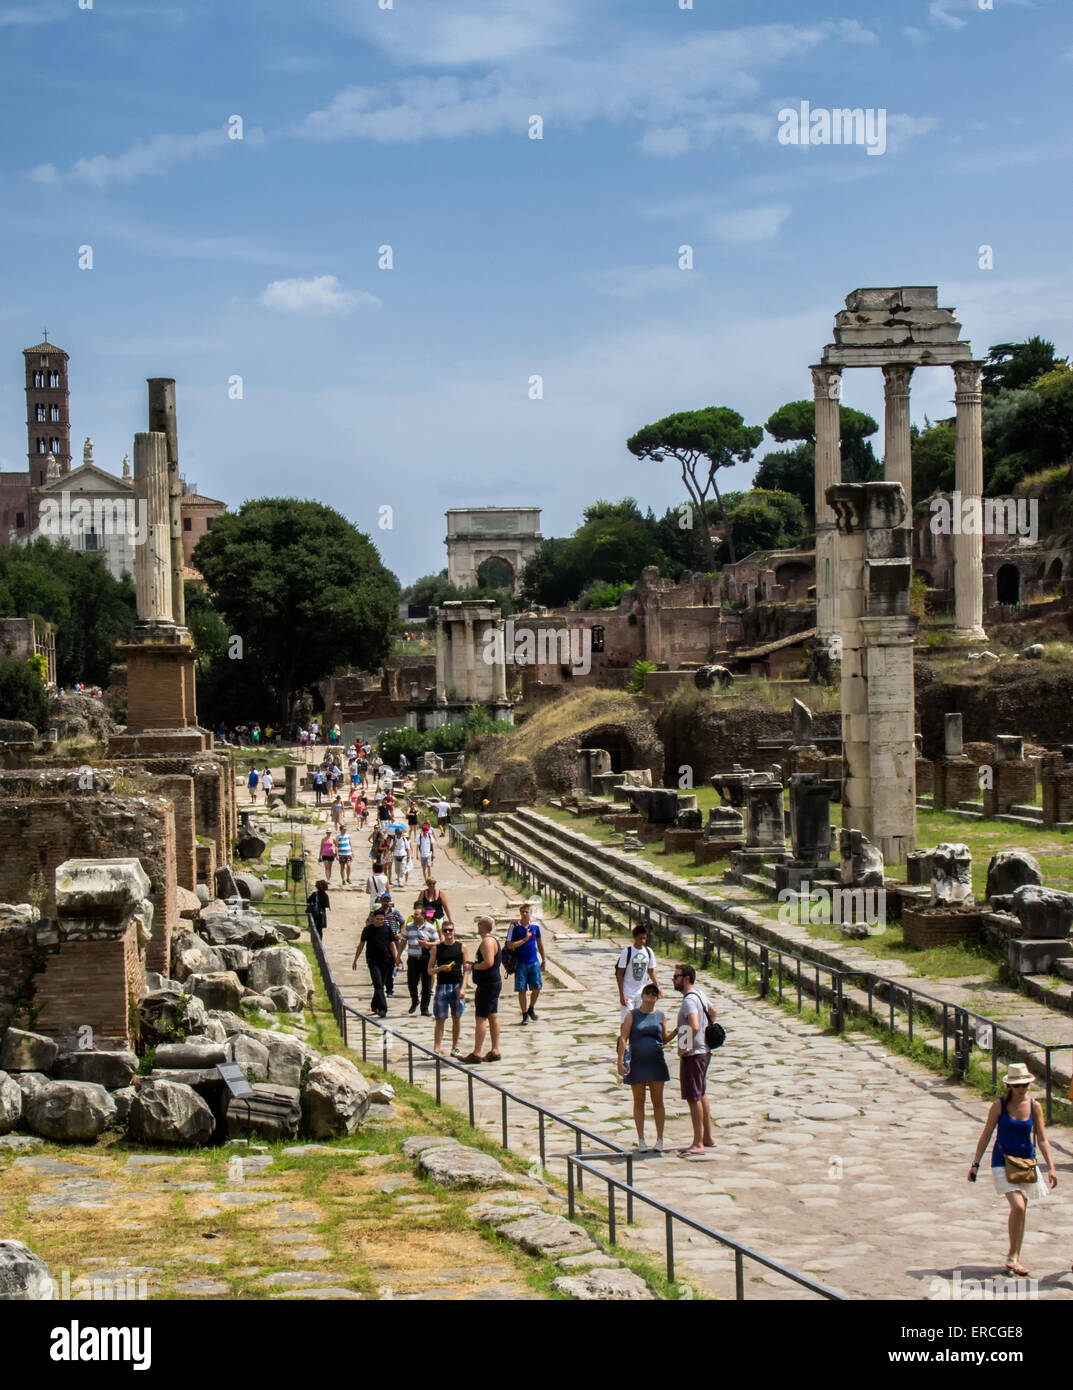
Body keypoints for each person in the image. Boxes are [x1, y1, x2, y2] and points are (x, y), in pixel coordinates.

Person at [968, 1063, 1058, 1276]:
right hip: (1002, 1160)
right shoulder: (998, 1106)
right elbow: (987, 1134)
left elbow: (1043, 1139)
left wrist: (1051, 1167)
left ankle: (1014, 1256)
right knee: (1018, 1206)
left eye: (1025, 1085)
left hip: (1026, 1162)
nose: (1022, 1089)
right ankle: (1012, 1255)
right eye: (1018, 1086)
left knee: (1022, 1209)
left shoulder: (1034, 1106)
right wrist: (975, 1163)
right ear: (1009, 1086)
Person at [616, 982, 674, 1153]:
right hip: (638, 1062)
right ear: (642, 995)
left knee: (658, 1101)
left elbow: (663, 1039)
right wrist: (620, 1060)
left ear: (657, 997)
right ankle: (641, 1139)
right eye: (647, 992)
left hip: (656, 1061)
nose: (650, 995)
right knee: (639, 1102)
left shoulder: (661, 1016)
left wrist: (678, 1031)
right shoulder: (632, 1015)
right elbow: (624, 1038)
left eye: (653, 993)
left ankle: (660, 1139)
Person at [673, 962, 716, 1156]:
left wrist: (684, 1047)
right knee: (701, 1093)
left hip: (694, 1054)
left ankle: (698, 1143)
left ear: (686, 978)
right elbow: (713, 1013)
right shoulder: (700, 994)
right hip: (704, 1050)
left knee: (693, 1097)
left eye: (676, 977)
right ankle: (707, 1137)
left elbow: (694, 1024)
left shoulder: (689, 1000)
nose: (673, 980)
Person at [463, 917, 502, 1063]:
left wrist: (473, 966)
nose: (477, 927)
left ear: (482, 926)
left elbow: (488, 962)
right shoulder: (491, 941)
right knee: (493, 1015)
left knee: (481, 1018)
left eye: (479, 924)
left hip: (487, 984)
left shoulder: (487, 941)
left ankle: (477, 1052)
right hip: (493, 983)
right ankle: (495, 1050)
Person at [428, 921, 468, 1056]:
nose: (448, 933)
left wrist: (463, 987)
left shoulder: (462, 947)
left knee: (456, 1016)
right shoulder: (437, 949)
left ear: (454, 931)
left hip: (457, 984)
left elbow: (466, 969)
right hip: (442, 986)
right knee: (440, 1018)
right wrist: (440, 969)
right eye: (445, 931)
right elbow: (429, 970)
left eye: (450, 930)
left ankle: (455, 1047)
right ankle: (436, 1049)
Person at [504, 902, 546, 1024]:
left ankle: (531, 1008)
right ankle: (524, 1015)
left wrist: (543, 959)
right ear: (520, 913)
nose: (524, 914)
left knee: (537, 987)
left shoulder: (535, 927)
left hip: (533, 961)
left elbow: (540, 944)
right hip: (520, 963)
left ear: (530, 913)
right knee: (522, 990)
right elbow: (509, 945)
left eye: (526, 912)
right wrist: (524, 940)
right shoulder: (514, 927)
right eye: (522, 912)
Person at [352, 907, 399, 1017]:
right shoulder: (368, 930)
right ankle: (383, 1008)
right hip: (373, 961)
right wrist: (355, 959)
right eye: (378, 919)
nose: (380, 921)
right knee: (378, 984)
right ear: (373, 919)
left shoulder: (387, 929)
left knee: (381, 984)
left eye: (382, 919)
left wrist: (396, 959)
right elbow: (361, 945)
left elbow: (392, 944)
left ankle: (374, 1005)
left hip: (386, 960)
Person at [401, 899, 440, 1015]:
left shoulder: (430, 927)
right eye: (414, 914)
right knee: (412, 982)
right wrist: (398, 956)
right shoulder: (409, 926)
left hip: (426, 958)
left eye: (416, 914)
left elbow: (438, 942)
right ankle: (415, 1000)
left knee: (426, 984)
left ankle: (424, 1008)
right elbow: (403, 941)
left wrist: (427, 944)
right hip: (413, 957)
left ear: (423, 916)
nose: (414, 916)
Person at [616, 925, 659, 1020]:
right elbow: (619, 974)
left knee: (641, 1020)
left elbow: (651, 971)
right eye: (640, 938)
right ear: (635, 937)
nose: (642, 941)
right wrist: (622, 994)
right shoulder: (627, 952)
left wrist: (657, 987)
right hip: (628, 992)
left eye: (644, 938)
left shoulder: (648, 952)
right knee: (626, 1021)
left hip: (642, 993)